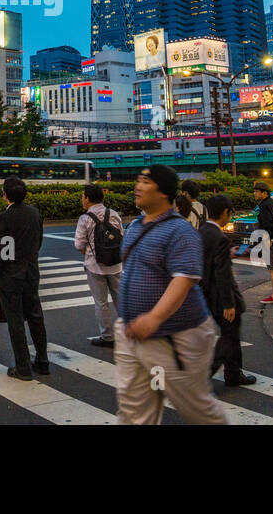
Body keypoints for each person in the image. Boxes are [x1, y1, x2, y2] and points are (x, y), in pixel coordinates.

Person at [114, 165, 230, 424]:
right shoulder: (134, 226)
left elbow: (184, 279)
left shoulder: (180, 231)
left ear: (163, 191)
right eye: (138, 180)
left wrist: (154, 317)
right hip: (134, 333)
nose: (138, 186)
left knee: (197, 410)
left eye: (145, 181)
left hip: (175, 338)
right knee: (135, 411)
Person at [0, 177, 49, 379]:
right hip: (31, 271)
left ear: (5, 195)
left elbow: (1, 251)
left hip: (10, 275)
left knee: (15, 321)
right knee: (35, 316)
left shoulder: (4, 218)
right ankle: (42, 360)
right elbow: (39, 241)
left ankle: (23, 367)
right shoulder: (35, 214)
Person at [201, 195, 255, 386]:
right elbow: (222, 273)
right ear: (225, 213)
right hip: (221, 296)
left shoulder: (202, 231)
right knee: (230, 336)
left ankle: (233, 373)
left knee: (230, 334)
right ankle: (208, 374)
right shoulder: (220, 238)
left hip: (205, 293)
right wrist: (228, 303)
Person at [73, 183, 123, 347]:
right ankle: (130, 332)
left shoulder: (85, 218)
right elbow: (121, 235)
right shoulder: (114, 214)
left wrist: (87, 248)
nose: (82, 199)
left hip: (95, 266)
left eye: (82, 196)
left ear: (87, 198)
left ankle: (107, 336)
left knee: (101, 303)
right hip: (116, 264)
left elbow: (79, 244)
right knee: (121, 300)